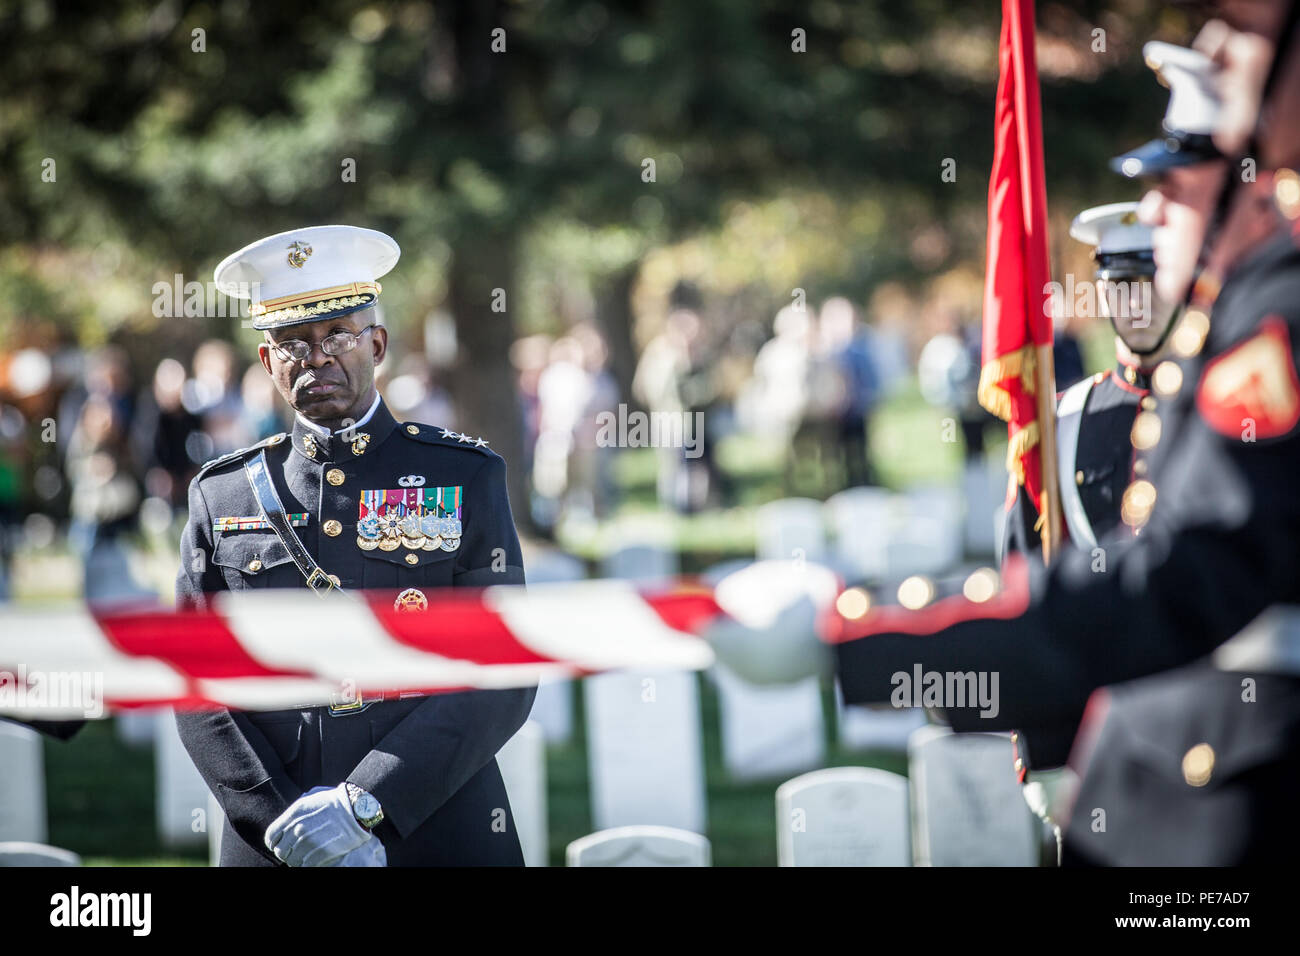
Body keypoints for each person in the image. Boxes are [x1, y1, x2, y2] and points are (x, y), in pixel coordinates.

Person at [174, 225, 535, 867]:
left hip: (435, 820)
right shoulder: (222, 495)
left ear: (378, 344)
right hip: (275, 837)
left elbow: (502, 671)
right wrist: (280, 819)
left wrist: (368, 803)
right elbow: (198, 680)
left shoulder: (465, 476)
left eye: (338, 336)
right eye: (293, 344)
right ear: (266, 363)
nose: (317, 359)